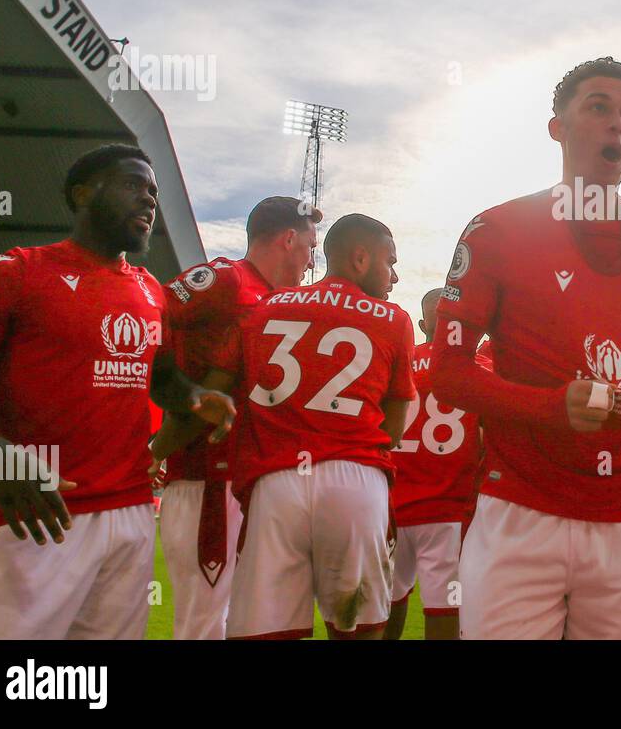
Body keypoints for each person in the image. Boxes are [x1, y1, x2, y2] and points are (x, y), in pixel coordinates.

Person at [431, 57, 621, 639]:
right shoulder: (495, 231)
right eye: (598, 107)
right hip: (518, 512)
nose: (617, 125)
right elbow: (448, 372)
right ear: (557, 128)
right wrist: (549, 406)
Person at [0, 144, 233, 639]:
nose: (148, 200)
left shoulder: (151, 291)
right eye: (132, 185)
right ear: (81, 194)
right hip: (41, 515)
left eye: (153, 191)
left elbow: (162, 379)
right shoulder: (15, 274)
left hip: (130, 517)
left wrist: (194, 397)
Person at [208, 214, 415, 639]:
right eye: (389, 262)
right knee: (358, 631)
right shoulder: (393, 319)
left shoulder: (262, 307)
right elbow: (393, 429)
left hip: (275, 484)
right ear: (360, 258)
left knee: (265, 632)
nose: (394, 275)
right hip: (355, 482)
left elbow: (212, 395)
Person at [149, 196, 321, 640]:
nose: (310, 258)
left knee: (249, 621)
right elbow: (146, 314)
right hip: (208, 477)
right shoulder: (227, 280)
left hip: (253, 478)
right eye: (310, 246)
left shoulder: (279, 300)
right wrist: (174, 405)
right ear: (288, 239)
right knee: (207, 620)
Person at [386, 288, 485, 641]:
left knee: (387, 605)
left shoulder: (396, 361)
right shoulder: (479, 368)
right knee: (446, 608)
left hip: (391, 509)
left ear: (423, 323)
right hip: (449, 512)